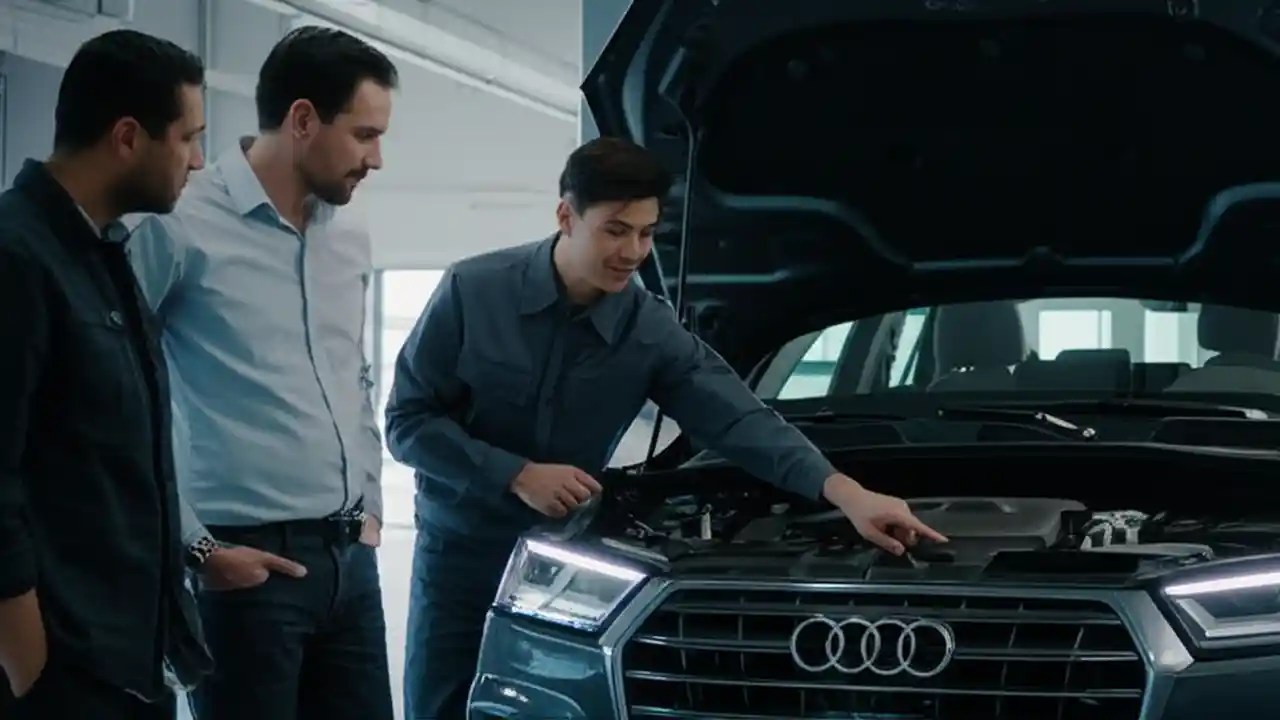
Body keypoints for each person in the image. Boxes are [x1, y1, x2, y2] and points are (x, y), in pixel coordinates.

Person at [385, 136, 950, 720]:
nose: (633, 251)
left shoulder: (648, 330)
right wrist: (516, 475)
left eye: (647, 232)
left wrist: (847, 493)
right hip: (459, 553)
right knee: (441, 705)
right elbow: (406, 423)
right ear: (565, 216)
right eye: (615, 229)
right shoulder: (472, 290)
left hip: (566, 564)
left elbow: (739, 418)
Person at [126, 26, 397, 720]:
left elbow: (353, 373)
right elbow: (117, 390)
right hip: (244, 573)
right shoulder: (178, 223)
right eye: (365, 135)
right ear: (303, 119)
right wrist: (196, 546)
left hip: (350, 562)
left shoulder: (350, 232)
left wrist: (369, 499)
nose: (378, 159)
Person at [0, 29, 211, 719]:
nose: (199, 161)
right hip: (60, 671)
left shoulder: (106, 253)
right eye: (188, 137)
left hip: (125, 659)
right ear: (128, 137)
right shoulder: (17, 256)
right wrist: (27, 666)